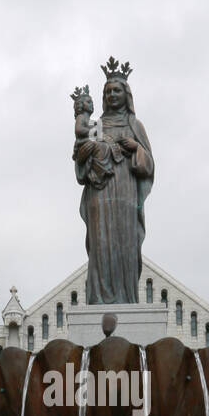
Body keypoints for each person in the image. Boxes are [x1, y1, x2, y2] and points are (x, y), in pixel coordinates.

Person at [74, 62, 155, 305]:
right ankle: (99, 298)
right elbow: (80, 156)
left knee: (126, 243)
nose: (111, 95)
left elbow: (149, 164)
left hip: (127, 191)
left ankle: (127, 297)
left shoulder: (134, 125)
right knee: (101, 244)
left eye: (116, 90)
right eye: (107, 91)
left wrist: (136, 148)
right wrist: (92, 152)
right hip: (100, 189)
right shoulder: (96, 125)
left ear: (126, 94)